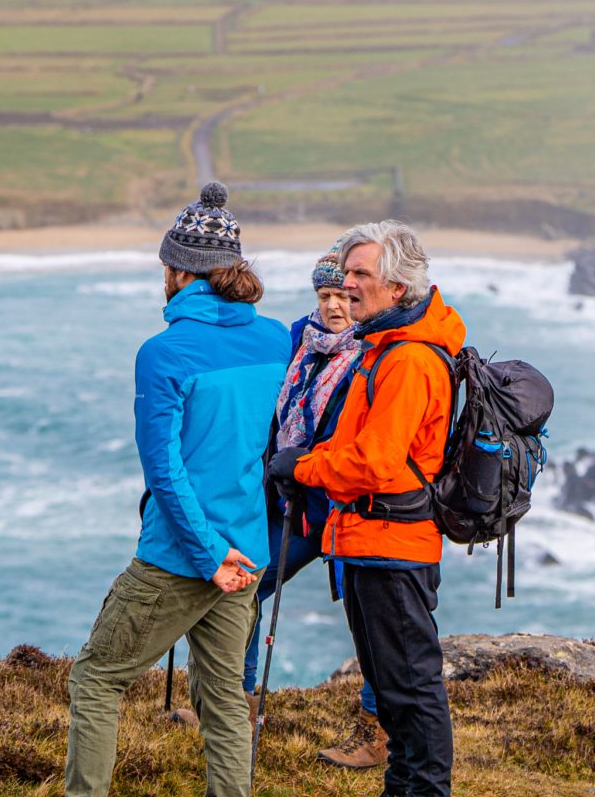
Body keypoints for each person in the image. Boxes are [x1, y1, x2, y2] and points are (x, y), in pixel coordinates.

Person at [64, 182, 291, 797]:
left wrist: (206, 554)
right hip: (249, 552)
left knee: (96, 679)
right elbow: (271, 446)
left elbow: (165, 472)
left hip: (184, 556)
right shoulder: (277, 340)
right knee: (223, 700)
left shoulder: (163, 353)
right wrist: (229, 553)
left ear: (176, 271)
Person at [268, 221, 463, 797]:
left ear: (396, 288)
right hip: (367, 540)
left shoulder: (407, 361)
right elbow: (357, 445)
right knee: (394, 686)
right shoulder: (381, 350)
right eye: (345, 273)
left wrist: (300, 468)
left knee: (410, 689)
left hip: (391, 544)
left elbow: (374, 461)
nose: (346, 285)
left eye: (359, 274)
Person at [240, 244, 386, 770]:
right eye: (325, 294)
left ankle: (377, 733)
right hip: (295, 505)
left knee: (368, 617)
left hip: (349, 508)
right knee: (249, 584)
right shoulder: (299, 341)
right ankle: (239, 700)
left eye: (344, 295)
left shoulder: (376, 354)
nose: (333, 306)